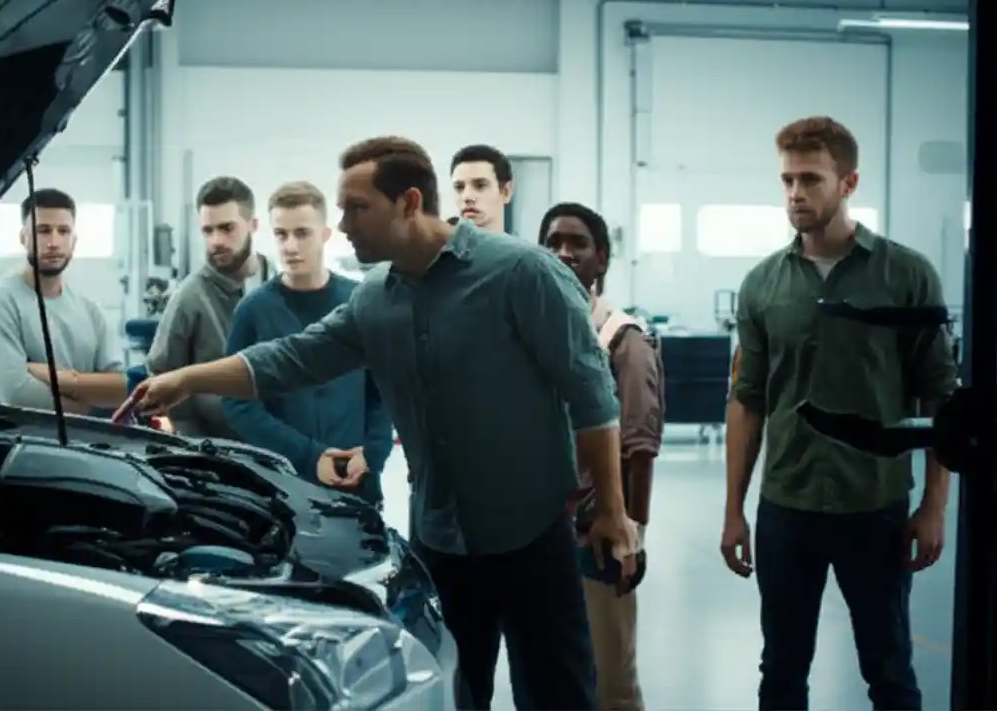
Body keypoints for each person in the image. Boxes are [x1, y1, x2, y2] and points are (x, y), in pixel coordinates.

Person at [127, 135, 642, 710]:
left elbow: (593, 394)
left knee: (557, 695)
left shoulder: (521, 273)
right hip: (440, 540)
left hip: (531, 538)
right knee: (452, 691)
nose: (342, 224)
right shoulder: (376, 300)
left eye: (356, 208)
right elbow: (290, 358)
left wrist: (614, 514)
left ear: (409, 202)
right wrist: (188, 378)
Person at [721, 116, 959, 710]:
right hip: (787, 508)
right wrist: (733, 510)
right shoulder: (761, 285)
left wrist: (933, 506)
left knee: (889, 669)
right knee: (781, 671)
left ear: (848, 182)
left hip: (874, 506)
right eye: (787, 180)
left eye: (811, 179)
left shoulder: (906, 275)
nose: (796, 193)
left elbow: (940, 395)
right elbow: (748, 400)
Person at [540, 202, 664, 711]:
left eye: (578, 244)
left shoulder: (624, 340)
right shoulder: (542, 330)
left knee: (613, 679)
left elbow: (639, 445)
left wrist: (630, 533)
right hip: (543, 531)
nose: (565, 253)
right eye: (553, 243)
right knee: (559, 674)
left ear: (601, 259)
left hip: (598, 534)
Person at [222, 181, 394, 505]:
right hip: (284, 486)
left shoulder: (360, 301)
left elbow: (384, 388)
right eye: (280, 234)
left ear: (325, 234)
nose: (289, 246)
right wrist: (307, 455)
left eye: (302, 233)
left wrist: (372, 452)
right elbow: (237, 403)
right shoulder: (253, 311)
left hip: (356, 480)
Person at [0, 188, 128, 413]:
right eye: (43, 231)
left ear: (74, 240)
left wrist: (58, 378)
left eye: (63, 231)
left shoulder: (90, 310)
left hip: (85, 445)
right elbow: (17, 394)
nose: (54, 242)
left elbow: (120, 388)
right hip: (21, 442)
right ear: (23, 237)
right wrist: (91, 406)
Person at [146, 176, 273, 438]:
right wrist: (195, 444)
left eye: (227, 228)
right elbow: (161, 376)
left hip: (285, 448)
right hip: (217, 453)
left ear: (253, 225)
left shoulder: (282, 284)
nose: (216, 240)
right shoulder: (190, 297)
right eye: (208, 230)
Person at [450, 144, 513, 233]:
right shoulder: (440, 246)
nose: (467, 197)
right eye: (459, 187)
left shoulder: (524, 247)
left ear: (506, 192)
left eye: (480, 185)